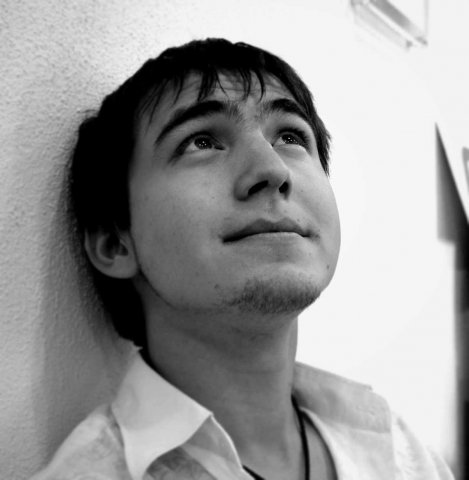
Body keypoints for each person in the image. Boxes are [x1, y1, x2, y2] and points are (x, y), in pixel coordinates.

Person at [32, 38, 454, 480]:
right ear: (116, 243)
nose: (272, 171)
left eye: (290, 137)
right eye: (201, 142)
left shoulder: (400, 453)